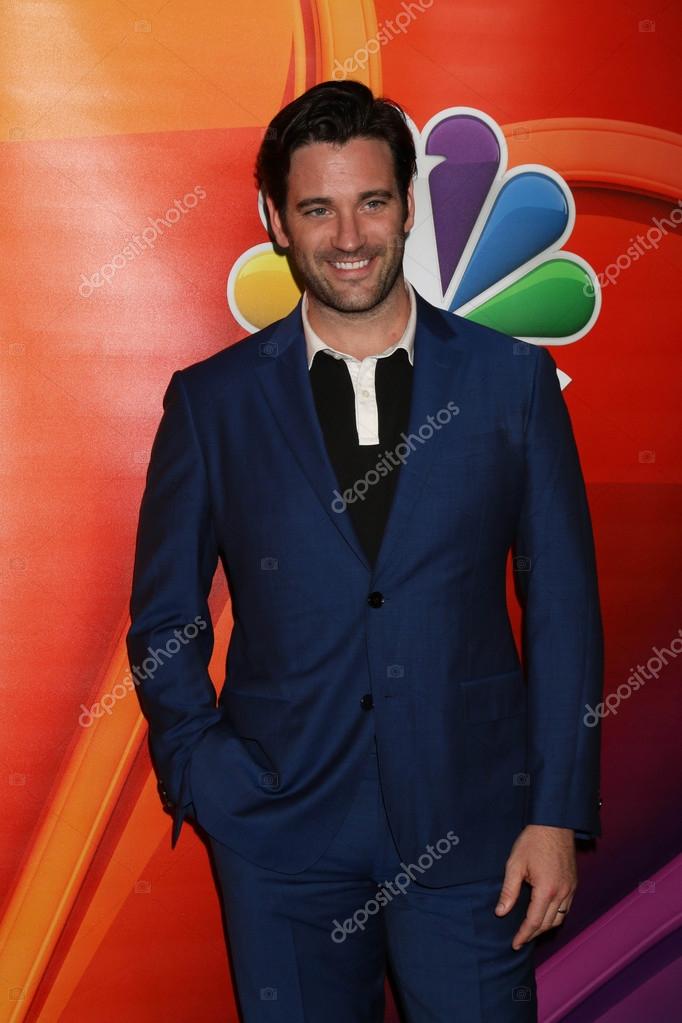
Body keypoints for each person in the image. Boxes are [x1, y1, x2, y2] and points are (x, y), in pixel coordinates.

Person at [126, 80, 603, 1022]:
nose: (348, 236)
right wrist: (205, 773)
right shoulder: (212, 404)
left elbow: (563, 611)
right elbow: (163, 619)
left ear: (409, 208)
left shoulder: (511, 382)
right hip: (279, 840)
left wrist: (555, 812)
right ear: (276, 219)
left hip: (476, 836)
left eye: (372, 201)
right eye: (317, 208)